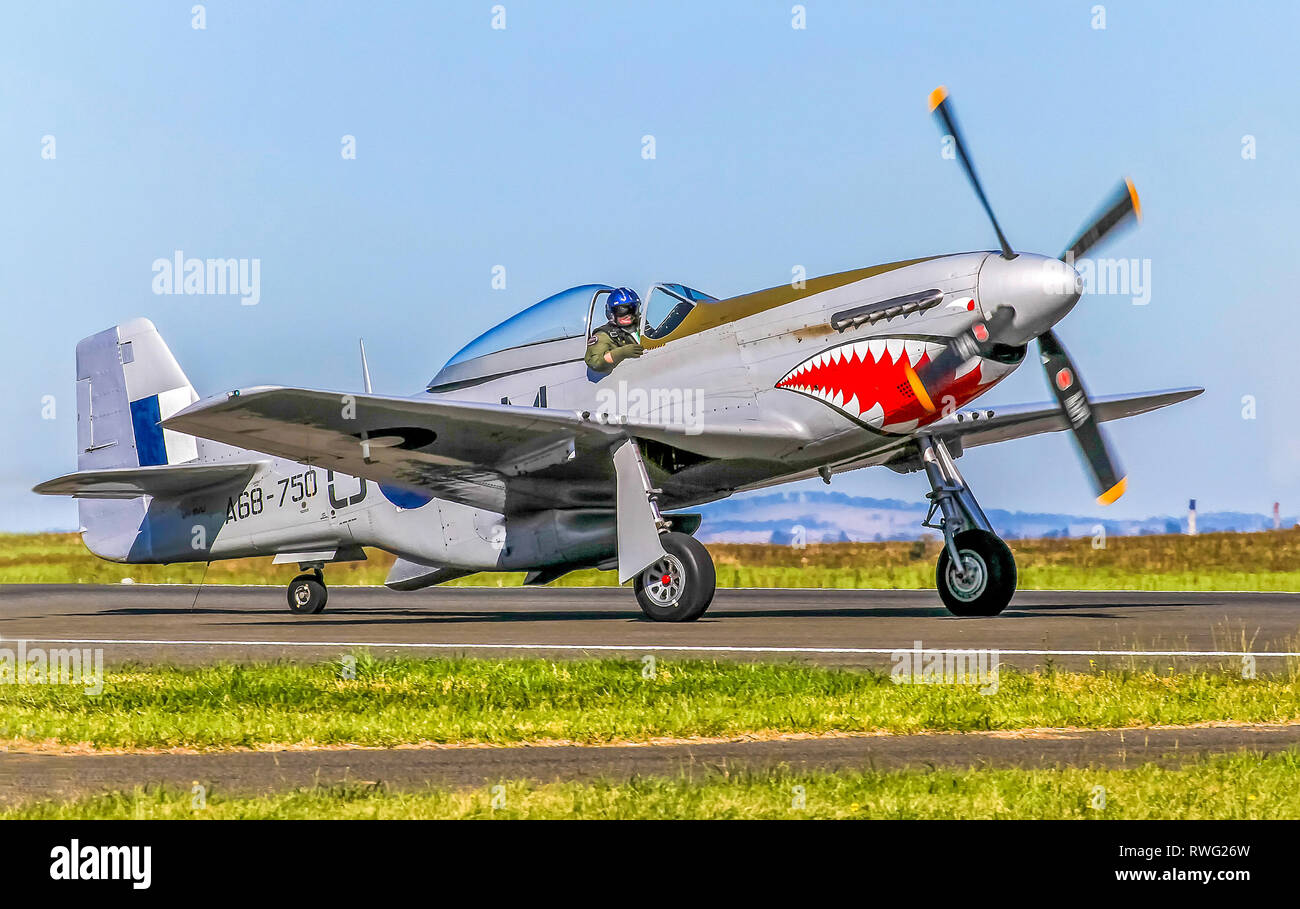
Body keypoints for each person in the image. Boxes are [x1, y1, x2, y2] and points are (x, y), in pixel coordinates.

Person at [585, 287, 645, 373]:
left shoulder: (642, 326)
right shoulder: (603, 335)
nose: (628, 315)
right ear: (611, 313)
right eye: (621, 310)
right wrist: (622, 353)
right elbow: (594, 362)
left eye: (632, 309)